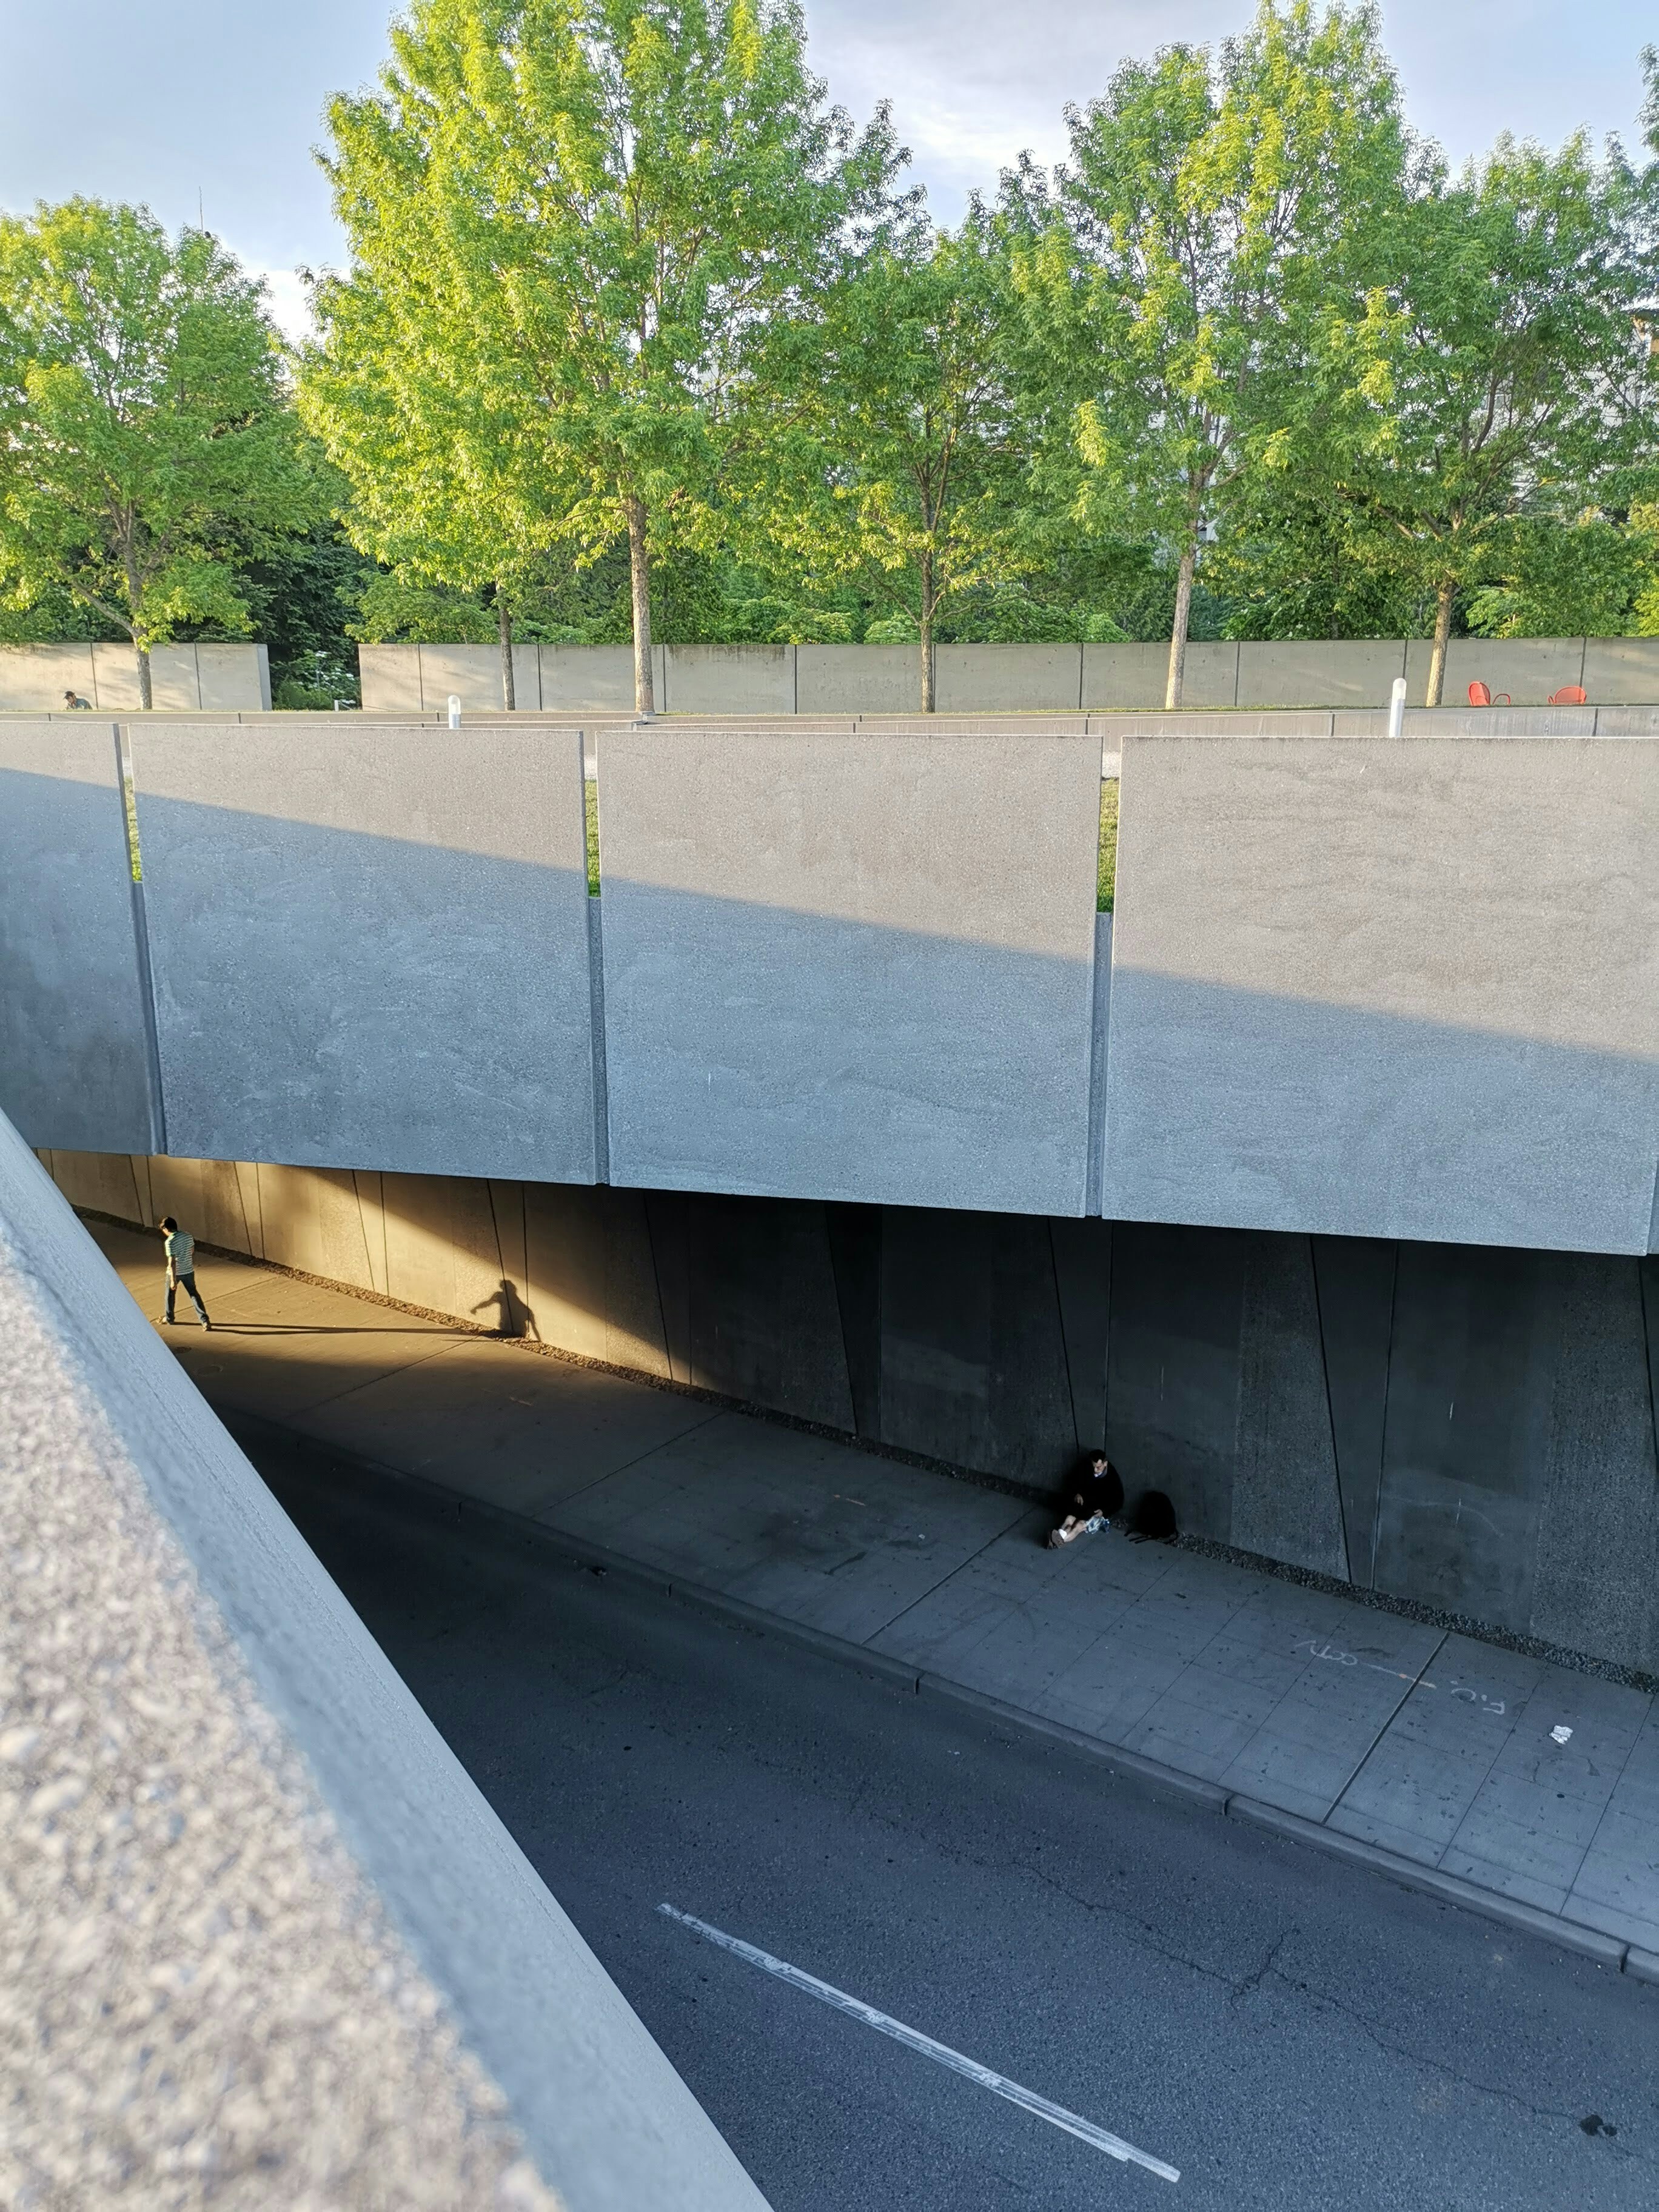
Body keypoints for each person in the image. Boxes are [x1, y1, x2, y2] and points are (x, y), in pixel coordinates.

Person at [1048, 1452, 1122, 1548]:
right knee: (1069, 1520)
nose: (1095, 1470)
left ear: (1105, 1464)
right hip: (1084, 1505)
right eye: (1094, 1467)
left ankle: (1056, 1541)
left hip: (1098, 1510)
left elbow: (1119, 1501)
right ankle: (1056, 1539)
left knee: (1079, 1526)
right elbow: (1073, 1482)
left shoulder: (1113, 1478)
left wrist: (1104, 1511)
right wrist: (1077, 1493)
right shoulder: (1086, 1467)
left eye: (1098, 1467)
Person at [158, 1216, 212, 1329]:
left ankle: (169, 1318)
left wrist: (173, 1280)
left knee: (170, 1296)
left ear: (167, 1229)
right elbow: (191, 1251)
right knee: (194, 1295)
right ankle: (205, 1321)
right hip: (189, 1271)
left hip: (175, 1273)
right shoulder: (188, 1236)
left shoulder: (169, 1242)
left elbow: (172, 1262)